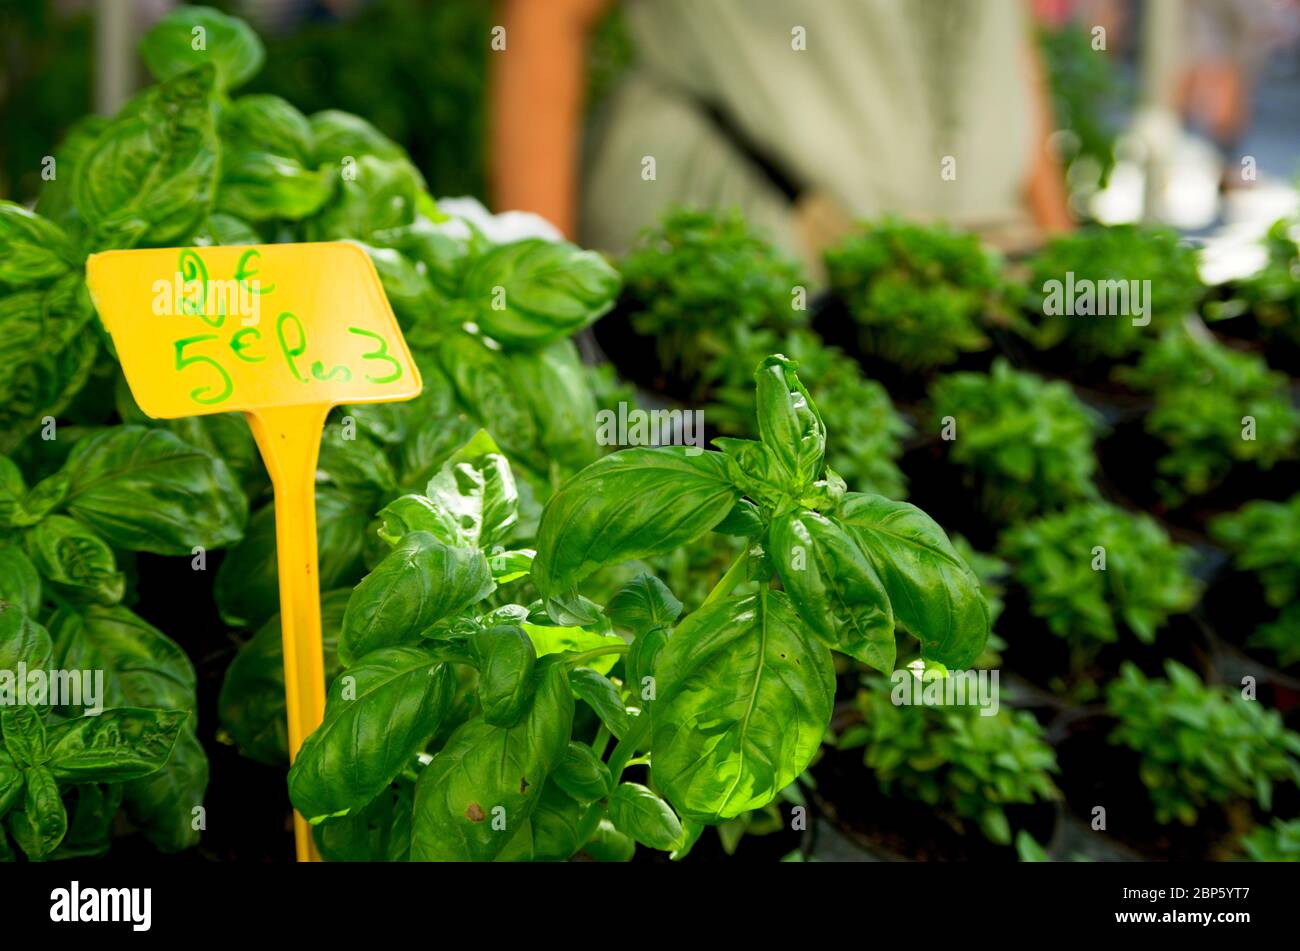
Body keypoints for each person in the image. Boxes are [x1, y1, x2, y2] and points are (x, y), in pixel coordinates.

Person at [491, 0, 1073, 278]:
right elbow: (547, 17)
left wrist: (1057, 243)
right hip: (748, 259)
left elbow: (1000, 44)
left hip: (983, 276)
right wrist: (542, 284)